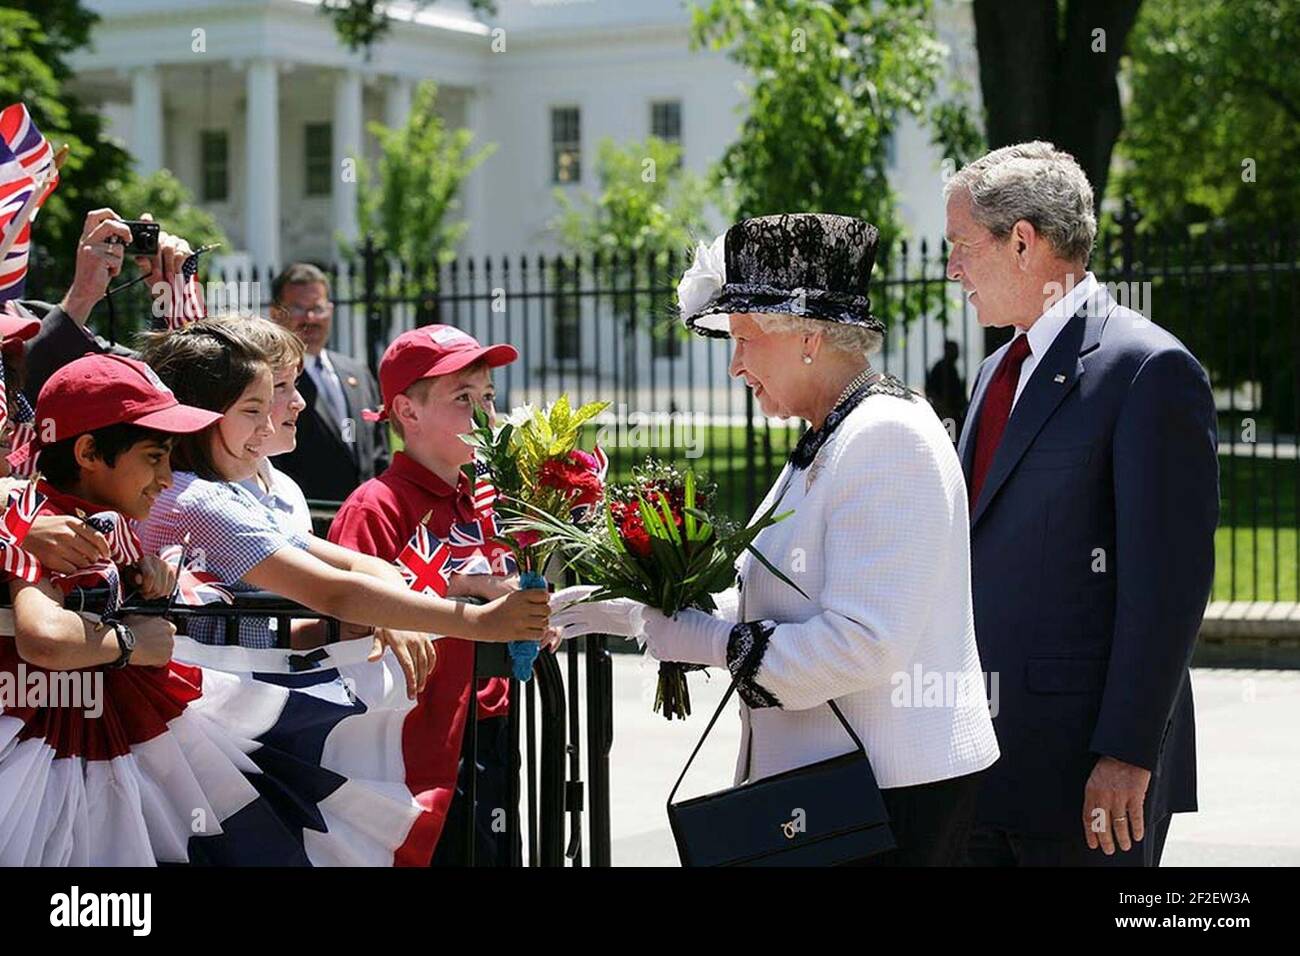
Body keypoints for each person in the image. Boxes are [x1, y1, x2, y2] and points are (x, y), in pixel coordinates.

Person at [553, 214, 1000, 866]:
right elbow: (788, 600)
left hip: (886, 802)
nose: (734, 366)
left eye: (744, 339)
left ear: (810, 337)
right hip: (839, 794)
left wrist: (706, 641)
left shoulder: (886, 437)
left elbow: (862, 646)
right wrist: (634, 610)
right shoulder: (837, 430)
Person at [945, 142, 1218, 866]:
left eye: (962, 247)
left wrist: (1126, 754)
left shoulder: (1149, 370)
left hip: (1088, 780)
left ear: (1024, 241)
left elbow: (1168, 590)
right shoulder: (992, 372)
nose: (952, 269)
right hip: (983, 766)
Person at [132, 316, 549, 693]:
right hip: (211, 716)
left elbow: (356, 572)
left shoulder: (221, 494)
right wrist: (478, 622)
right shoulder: (200, 501)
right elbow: (337, 593)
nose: (270, 422)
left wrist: (382, 603)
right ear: (201, 415)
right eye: (253, 408)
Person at [329, 324, 525, 866]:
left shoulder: (484, 496)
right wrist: (458, 589)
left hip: (486, 722)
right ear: (407, 413)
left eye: (487, 395)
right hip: (411, 740)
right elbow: (344, 621)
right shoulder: (376, 505)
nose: (484, 412)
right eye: (462, 398)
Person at [21, 210, 196, 401]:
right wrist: (81, 297)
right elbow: (13, 392)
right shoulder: (47, 321)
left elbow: (155, 383)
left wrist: (169, 298)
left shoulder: (35, 316)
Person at [268, 263, 388, 503]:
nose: (310, 318)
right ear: (276, 314)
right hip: (307, 521)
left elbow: (375, 451)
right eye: (298, 308)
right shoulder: (269, 378)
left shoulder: (357, 373)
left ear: (330, 310)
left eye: (318, 308)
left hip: (365, 517)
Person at [925, 339, 968, 437]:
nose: (957, 353)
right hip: (946, 413)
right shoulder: (940, 368)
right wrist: (943, 408)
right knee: (949, 440)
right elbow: (931, 391)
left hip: (953, 413)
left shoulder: (951, 368)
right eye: (954, 350)